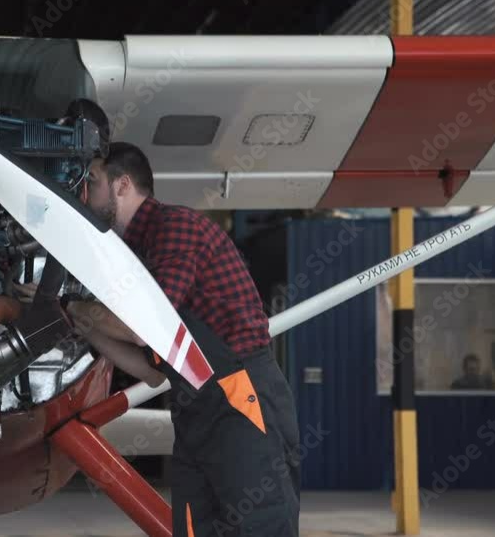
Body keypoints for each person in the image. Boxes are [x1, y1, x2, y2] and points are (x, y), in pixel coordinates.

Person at [18, 142, 301, 536]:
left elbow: (142, 328)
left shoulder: (175, 227)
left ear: (122, 185)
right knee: (195, 527)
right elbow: (150, 372)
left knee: (259, 524)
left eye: (92, 181)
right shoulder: (138, 253)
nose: (84, 192)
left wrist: (69, 304)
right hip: (195, 405)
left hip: (238, 394)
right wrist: (73, 318)